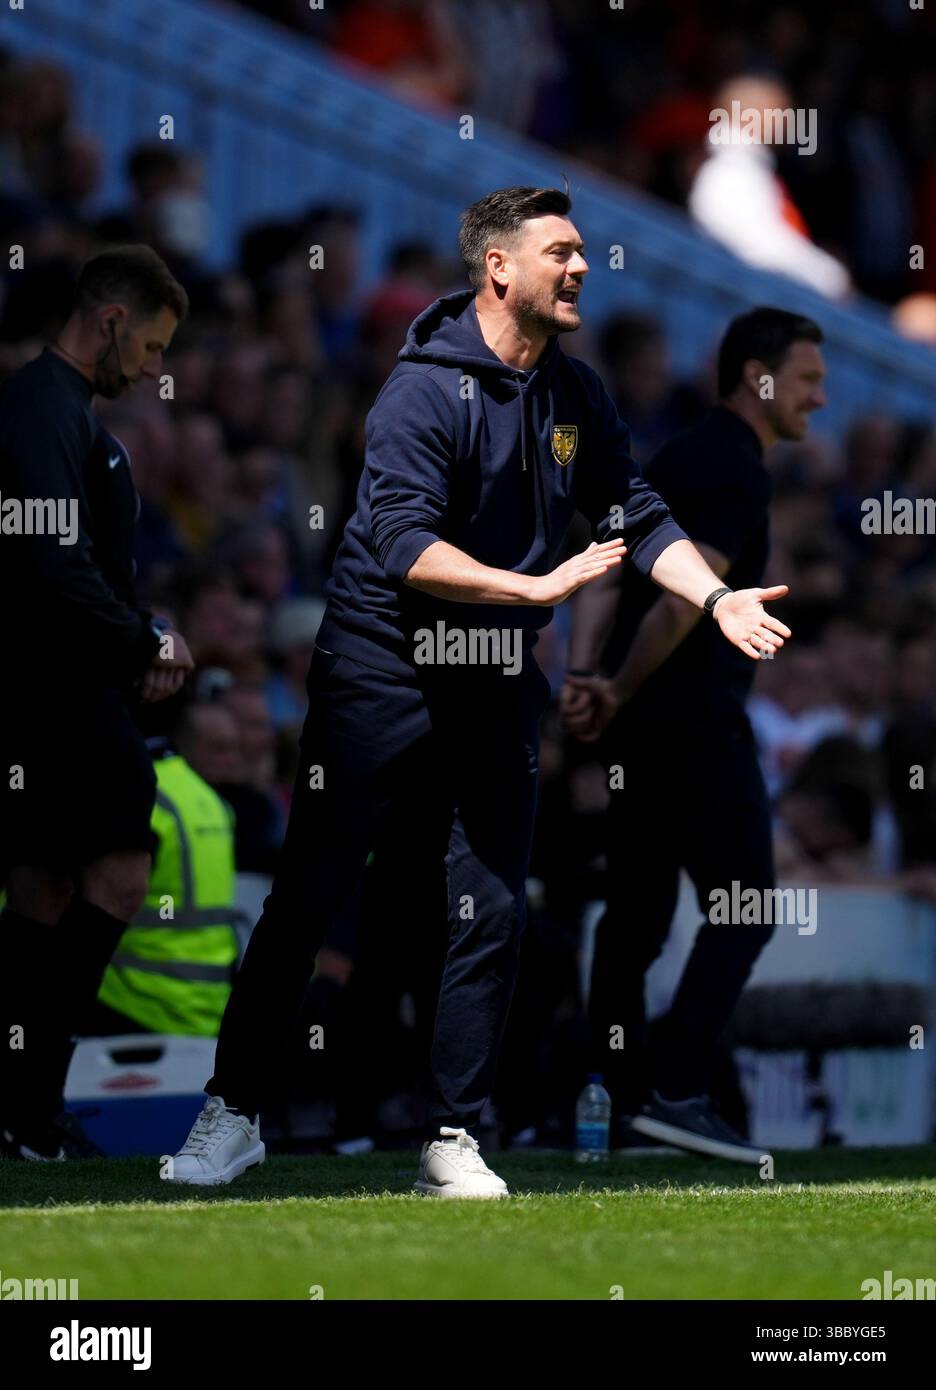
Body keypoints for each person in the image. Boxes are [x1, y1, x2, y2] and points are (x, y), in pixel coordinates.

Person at [170, 186, 789, 1194]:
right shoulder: (419, 392)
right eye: (562, 251)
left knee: (490, 901)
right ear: (499, 267)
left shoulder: (577, 394)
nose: (583, 265)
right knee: (313, 891)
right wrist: (534, 587)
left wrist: (714, 598)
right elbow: (405, 546)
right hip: (381, 667)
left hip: (497, 673)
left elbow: (635, 511)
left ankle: (453, 1136)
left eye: (584, 249)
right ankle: (230, 1114)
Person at [562, 307, 825, 1161]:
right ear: (760, 376)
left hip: (642, 729)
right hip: (693, 724)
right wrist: (619, 682)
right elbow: (687, 599)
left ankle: (610, 1104)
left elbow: (606, 577)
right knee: (745, 906)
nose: (818, 400)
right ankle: (674, 1089)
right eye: (809, 380)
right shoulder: (731, 468)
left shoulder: (677, 454)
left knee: (635, 919)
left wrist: (593, 680)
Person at [0, 245, 194, 1161]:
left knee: (44, 885)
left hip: (56, 680)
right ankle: (31, 1098)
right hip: (51, 685)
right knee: (120, 869)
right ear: (112, 321)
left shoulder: (62, 413)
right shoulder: (45, 409)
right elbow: (48, 562)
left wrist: (138, 627)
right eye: (152, 348)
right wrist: (143, 642)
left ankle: (22, 1106)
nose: (155, 370)